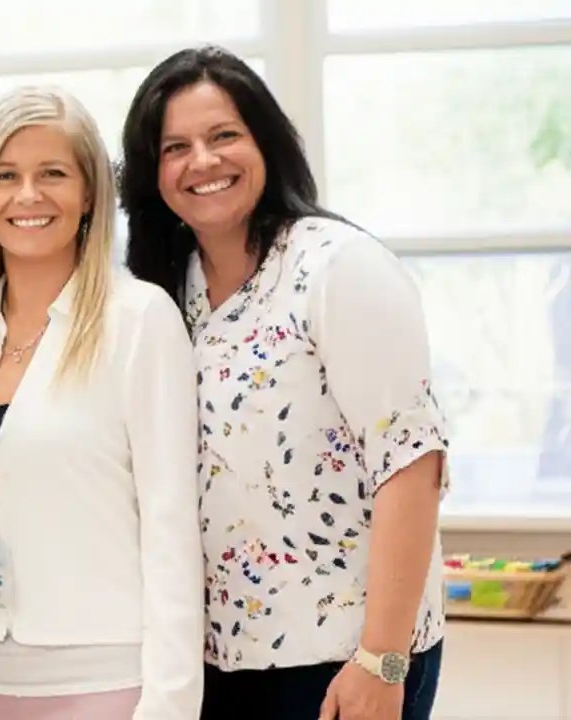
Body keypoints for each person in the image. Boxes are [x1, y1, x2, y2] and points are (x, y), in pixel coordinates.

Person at [118, 45, 450, 720]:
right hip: (215, 664)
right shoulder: (161, 293)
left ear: (266, 143)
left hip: (342, 661)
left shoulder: (338, 267)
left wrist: (380, 662)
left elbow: (412, 463)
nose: (203, 162)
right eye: (174, 147)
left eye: (223, 136)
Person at [0, 85, 204, 720]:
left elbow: (171, 532)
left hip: (105, 683)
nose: (27, 196)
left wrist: (169, 706)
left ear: (89, 193)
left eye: (51, 174)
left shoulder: (140, 319)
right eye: (6, 176)